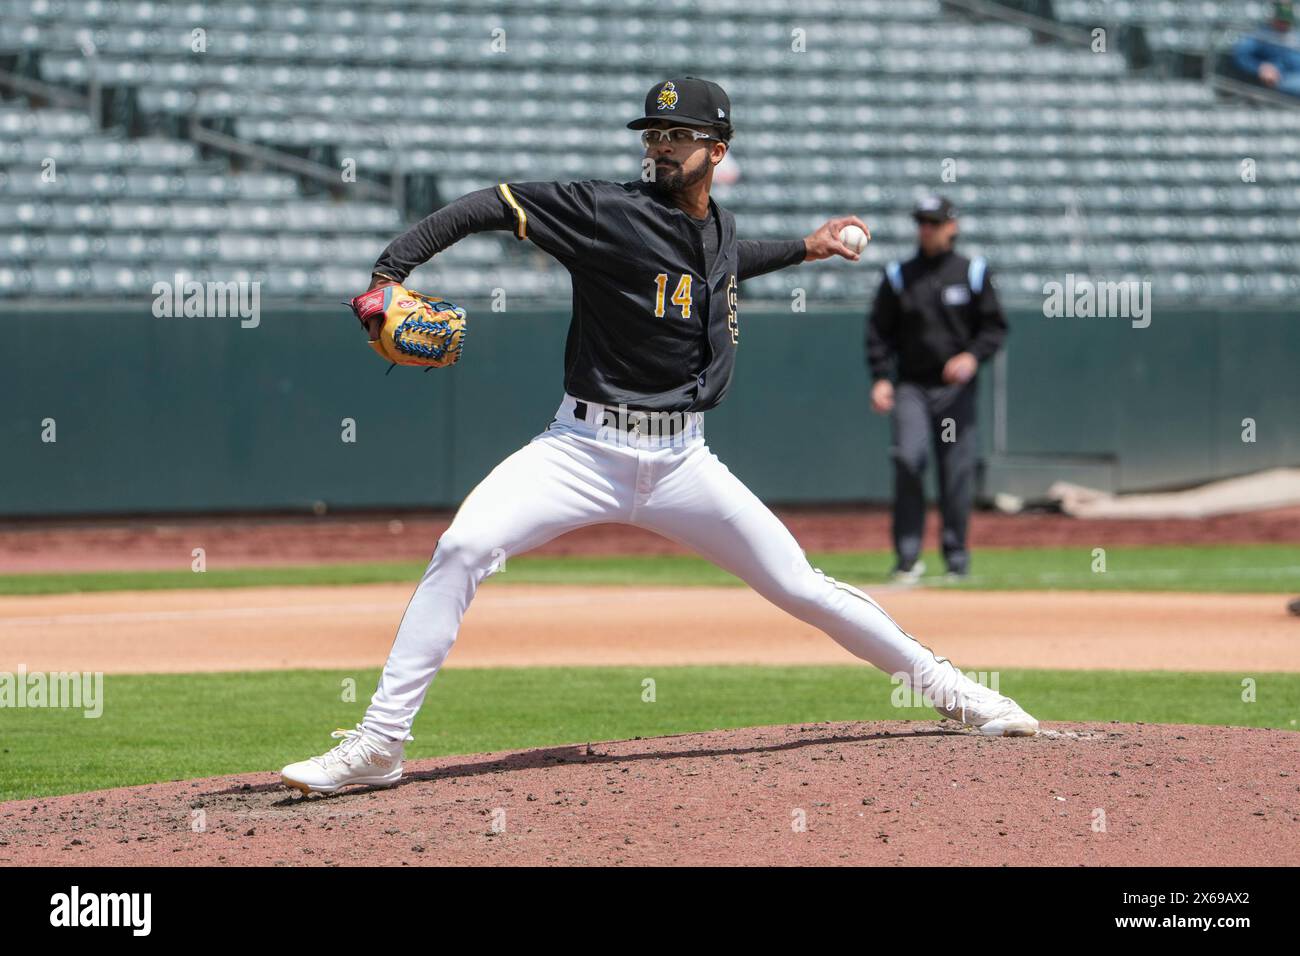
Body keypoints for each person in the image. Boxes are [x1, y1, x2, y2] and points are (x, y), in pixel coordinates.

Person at [280, 78, 1038, 795]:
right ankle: (381, 744)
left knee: (801, 585)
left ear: (720, 147)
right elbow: (488, 203)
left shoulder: (717, 229)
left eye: (681, 133)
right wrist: (391, 272)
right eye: (655, 132)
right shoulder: (605, 211)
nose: (663, 145)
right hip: (580, 451)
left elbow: (726, 260)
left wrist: (807, 247)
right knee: (463, 548)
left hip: (683, 461)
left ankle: (953, 691)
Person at [866, 196, 1007, 583]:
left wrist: (972, 356)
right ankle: (908, 559)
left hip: (955, 391)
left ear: (951, 227)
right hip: (912, 386)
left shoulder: (973, 272)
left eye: (933, 222)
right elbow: (879, 331)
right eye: (921, 222)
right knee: (909, 460)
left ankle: (956, 560)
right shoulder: (899, 275)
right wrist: (881, 376)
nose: (926, 229)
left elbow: (995, 327)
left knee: (956, 473)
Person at [1233, 0, 1300, 96]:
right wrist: (1259, 67)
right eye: (1281, 20)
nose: (1284, 24)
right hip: (1281, 78)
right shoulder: (1262, 36)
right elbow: (1240, 55)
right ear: (1273, 19)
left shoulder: (1295, 36)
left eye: (1287, 21)